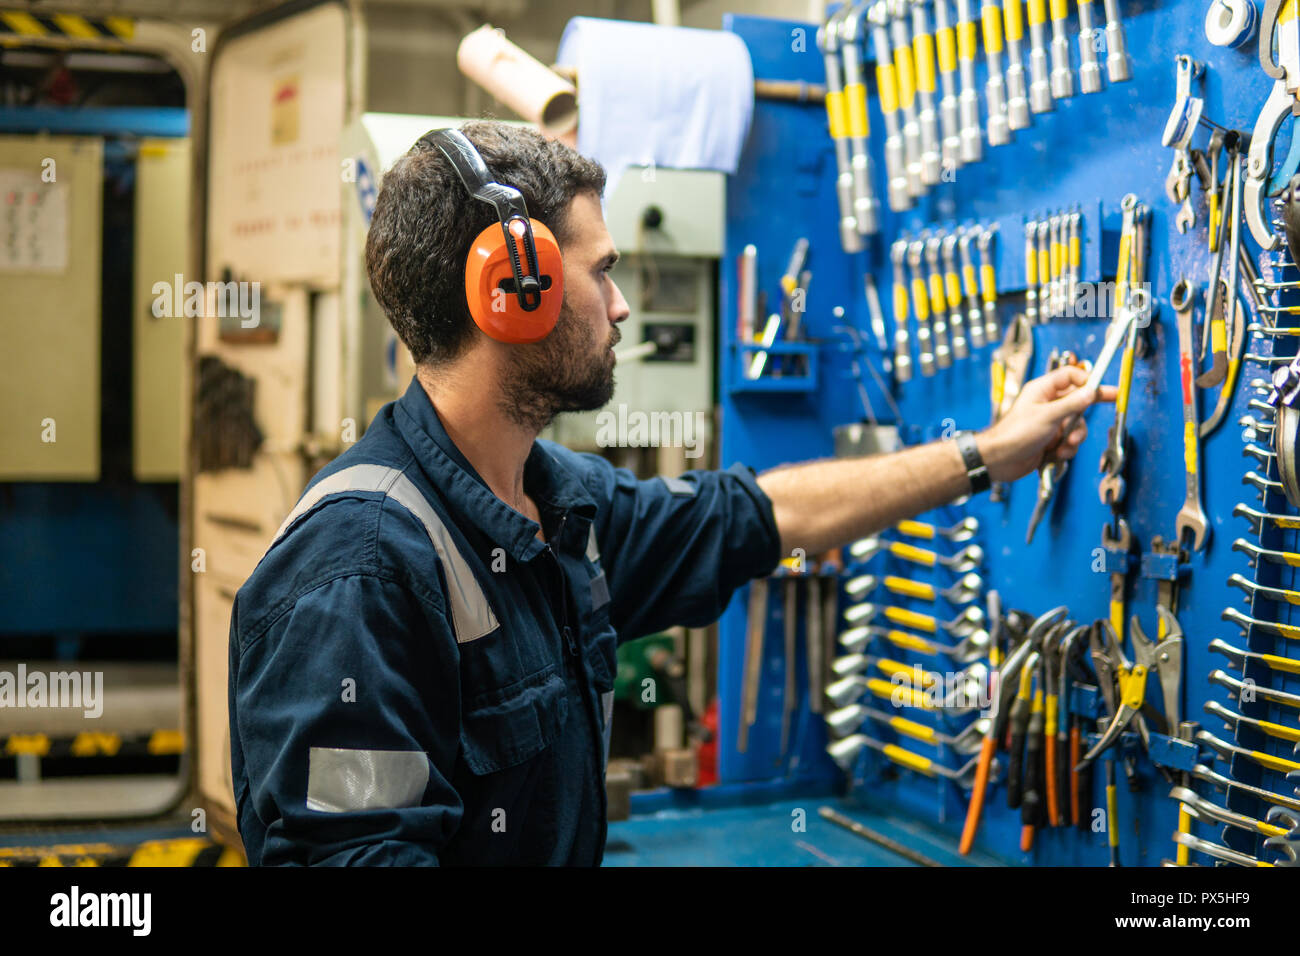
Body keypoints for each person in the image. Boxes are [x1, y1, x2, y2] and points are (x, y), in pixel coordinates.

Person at [227, 120, 1113, 865]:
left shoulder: (560, 507)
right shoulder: (358, 571)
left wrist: (993, 453)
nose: (619, 307)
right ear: (512, 292)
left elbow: (764, 515)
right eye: (601, 270)